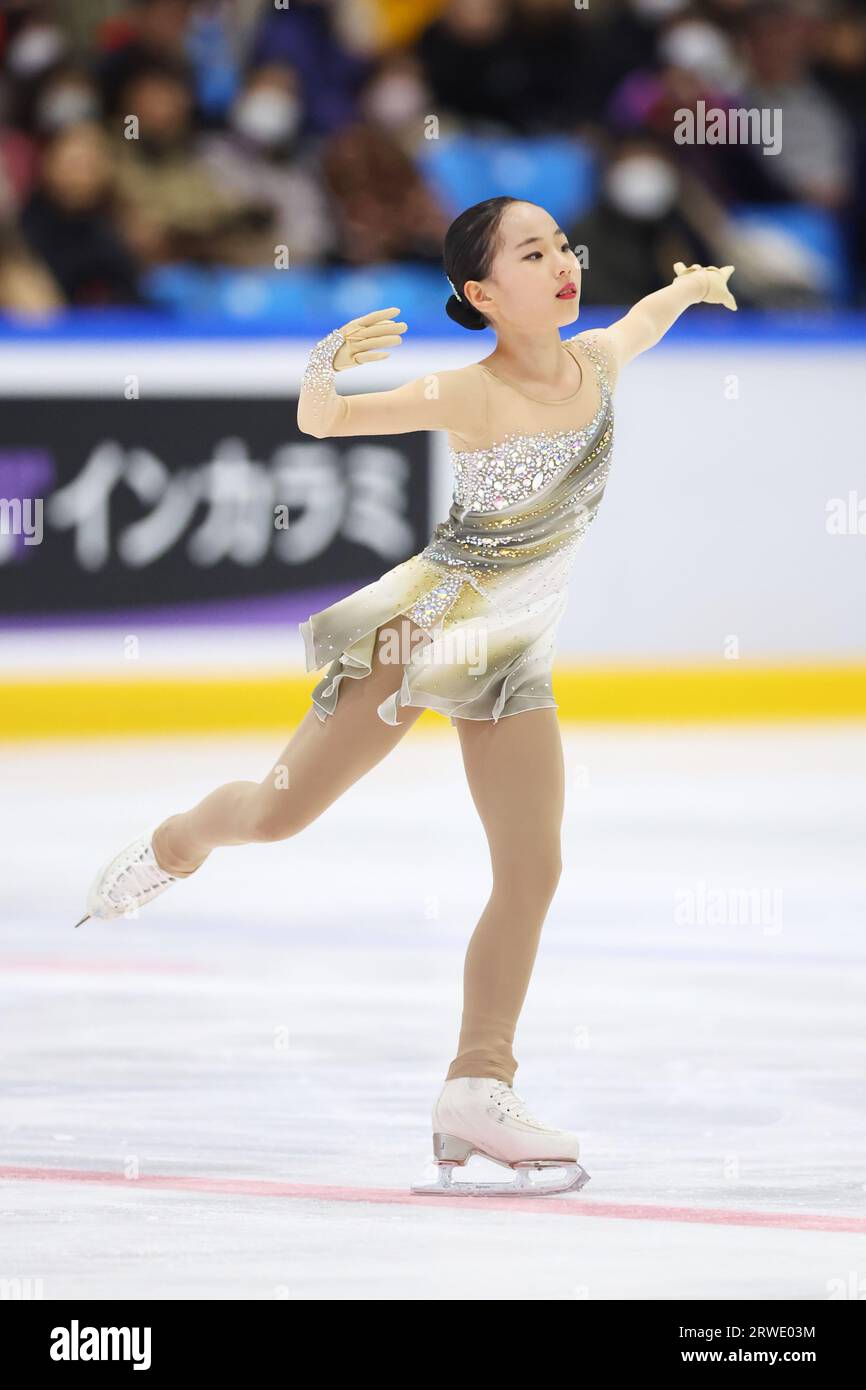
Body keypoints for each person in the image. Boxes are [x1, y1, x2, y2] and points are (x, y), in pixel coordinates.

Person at [74, 197, 736, 1196]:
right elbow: (327, 419)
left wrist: (685, 289)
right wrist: (320, 369)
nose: (560, 262)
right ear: (480, 293)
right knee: (278, 813)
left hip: (511, 654)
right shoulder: (465, 393)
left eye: (559, 244)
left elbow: (641, 320)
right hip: (420, 632)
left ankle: (477, 1082)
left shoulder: (595, 362)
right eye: (530, 252)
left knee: (532, 865)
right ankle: (179, 841)